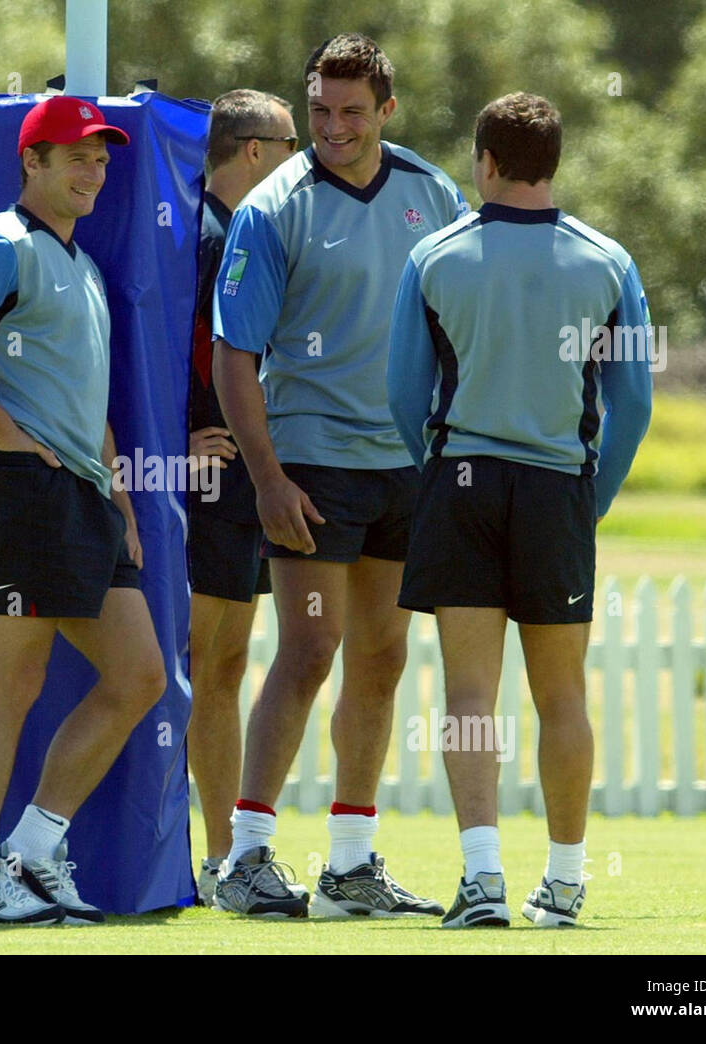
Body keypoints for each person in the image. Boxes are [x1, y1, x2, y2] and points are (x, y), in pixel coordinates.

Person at [0, 96, 167, 926]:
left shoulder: (78, 262)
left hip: (82, 498)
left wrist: (117, 496)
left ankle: (38, 849)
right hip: (25, 494)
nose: (93, 171)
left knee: (140, 677)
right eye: (73, 156)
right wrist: (1, 433)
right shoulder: (4, 245)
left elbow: (90, 396)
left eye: (100, 158)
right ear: (32, 164)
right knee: (12, 680)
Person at [211, 33, 465, 918]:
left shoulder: (433, 193)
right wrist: (268, 479)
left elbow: (455, 329)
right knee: (311, 649)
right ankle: (245, 856)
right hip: (311, 464)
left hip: (406, 465)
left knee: (384, 657)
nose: (333, 127)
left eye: (352, 112)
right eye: (319, 110)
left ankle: (352, 863)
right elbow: (234, 357)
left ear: (386, 110)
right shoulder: (275, 206)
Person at [387, 92, 653, 927]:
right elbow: (634, 403)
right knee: (562, 697)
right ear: (555, 162)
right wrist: (590, 496)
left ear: (486, 161)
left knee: (470, 695)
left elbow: (403, 393)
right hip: (558, 488)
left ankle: (482, 881)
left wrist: (436, 469)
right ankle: (567, 883)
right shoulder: (610, 262)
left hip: (461, 477)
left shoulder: (434, 255)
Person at [187, 88, 298, 907]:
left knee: (224, 664)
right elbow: (145, 348)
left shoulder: (247, 232)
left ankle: (225, 855)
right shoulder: (198, 236)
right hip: (194, 481)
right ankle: (203, 853)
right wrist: (169, 441)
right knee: (194, 667)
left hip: (237, 478)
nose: (307, 155)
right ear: (253, 150)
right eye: (293, 141)